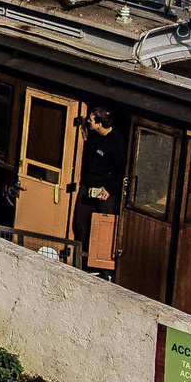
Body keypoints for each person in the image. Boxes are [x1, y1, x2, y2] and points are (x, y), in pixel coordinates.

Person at [74, 107, 126, 267]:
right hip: (89, 186)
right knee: (80, 222)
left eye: (91, 119)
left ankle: (103, 265)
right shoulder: (94, 136)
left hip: (105, 191)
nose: (88, 121)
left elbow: (122, 170)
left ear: (100, 123)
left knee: (105, 227)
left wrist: (110, 189)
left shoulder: (117, 143)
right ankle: (81, 260)